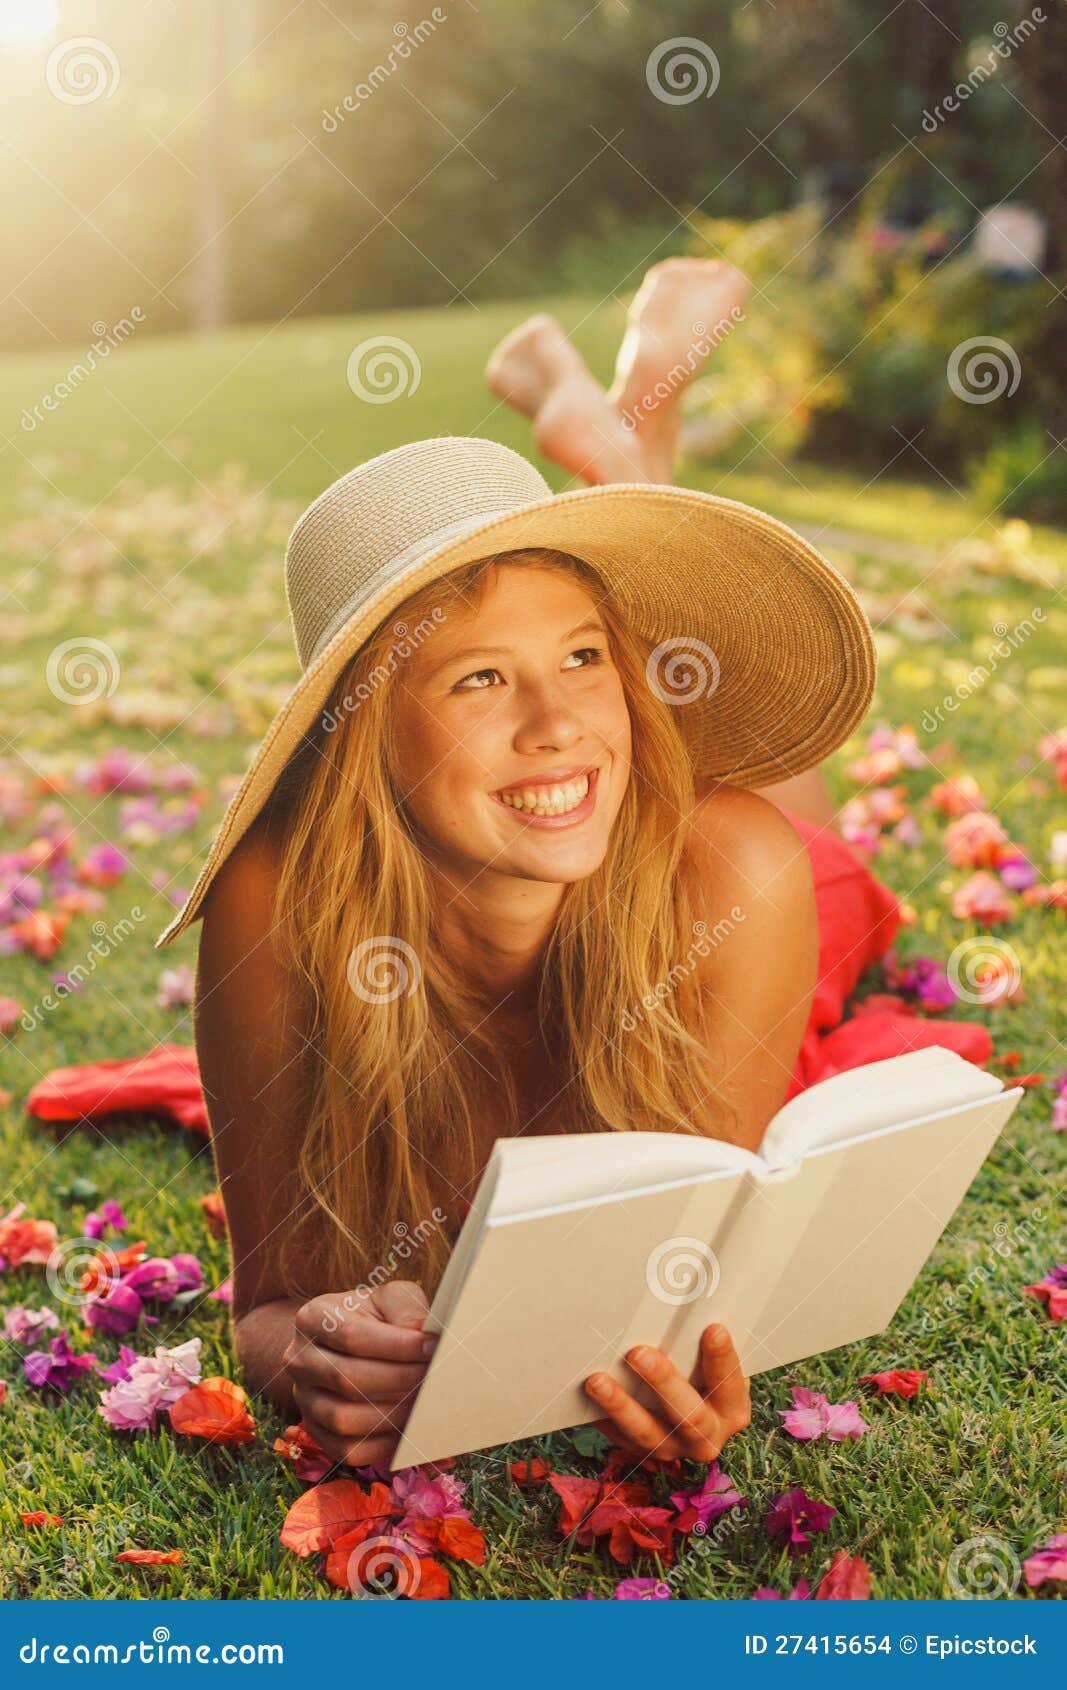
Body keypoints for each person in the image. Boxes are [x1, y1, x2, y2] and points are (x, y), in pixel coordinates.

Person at [169, 260, 878, 1475]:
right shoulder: (275, 901)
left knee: (808, 844)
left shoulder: (736, 873)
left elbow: (675, 1281)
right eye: (478, 679)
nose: (556, 721)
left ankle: (630, 440)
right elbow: (268, 1308)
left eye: (587, 654)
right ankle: (619, 434)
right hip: (607, 847)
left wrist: (688, 1368)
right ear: (358, 742)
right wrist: (316, 1351)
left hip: (715, 908)